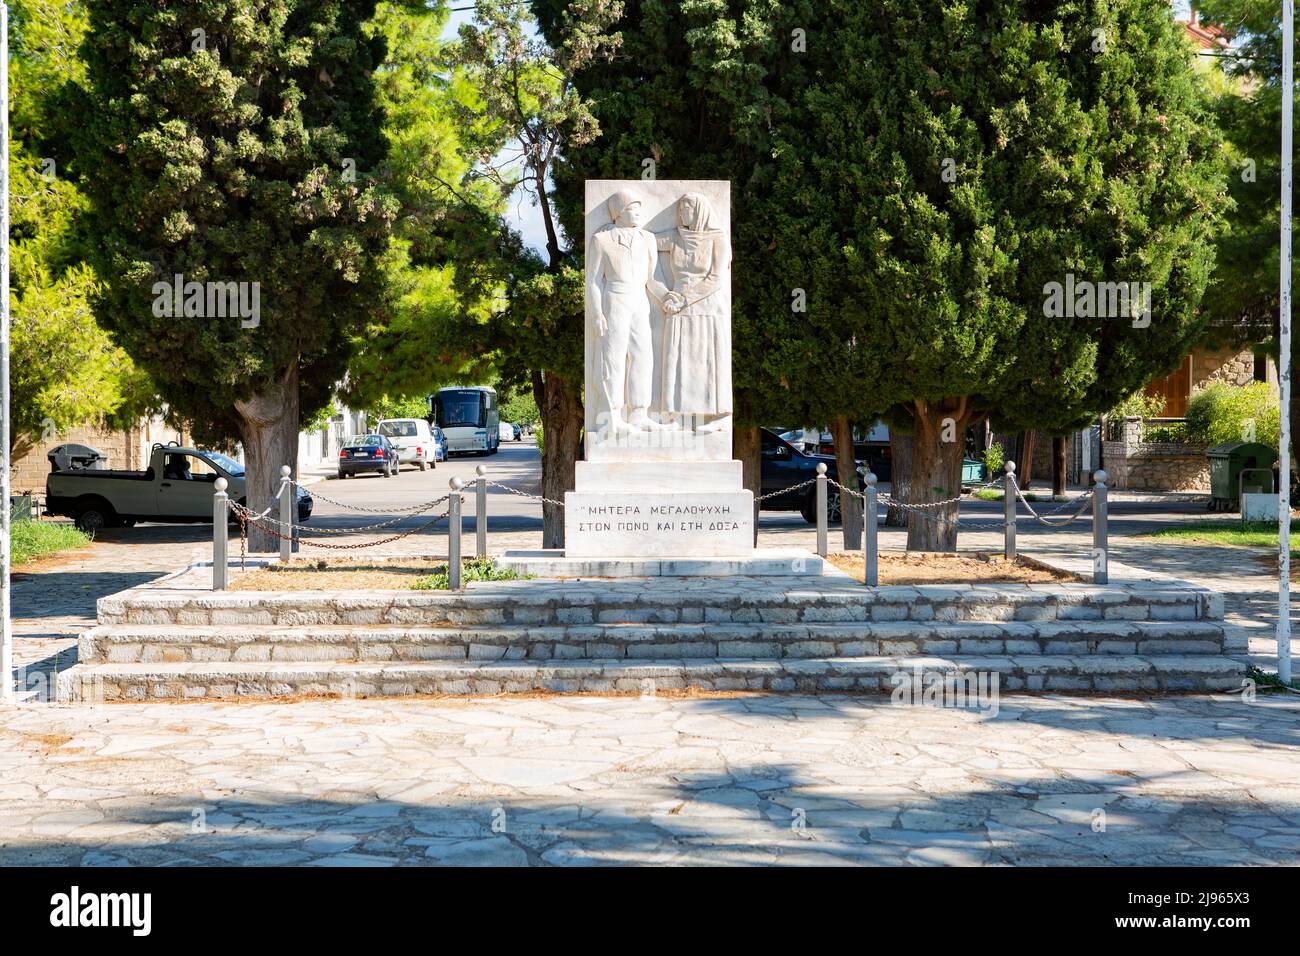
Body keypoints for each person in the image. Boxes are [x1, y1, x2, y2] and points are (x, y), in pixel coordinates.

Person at [587, 189, 675, 434]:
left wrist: (666, 296)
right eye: (633, 208)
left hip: (639, 301)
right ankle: (613, 416)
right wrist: (597, 315)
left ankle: (639, 414)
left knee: (643, 356)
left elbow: (652, 279)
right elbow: (593, 281)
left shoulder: (647, 239)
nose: (638, 212)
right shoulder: (601, 240)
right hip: (613, 299)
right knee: (613, 358)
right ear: (620, 212)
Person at [655, 192, 731, 432]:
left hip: (706, 306)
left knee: (707, 360)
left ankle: (716, 416)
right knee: (678, 360)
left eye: (685, 209)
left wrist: (684, 299)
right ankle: (676, 415)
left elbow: (717, 277)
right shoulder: (676, 237)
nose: (681, 214)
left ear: (698, 211)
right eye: (679, 209)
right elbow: (646, 241)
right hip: (677, 306)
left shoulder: (717, 238)